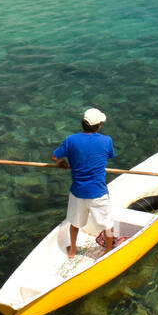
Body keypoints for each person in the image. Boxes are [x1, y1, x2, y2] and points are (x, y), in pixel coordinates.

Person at [53, 108, 117, 258]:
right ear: (99, 125)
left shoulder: (71, 140)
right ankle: (108, 252)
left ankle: (73, 250)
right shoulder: (106, 141)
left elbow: (54, 156)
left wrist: (62, 162)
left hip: (78, 192)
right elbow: (110, 155)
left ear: (83, 123)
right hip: (98, 193)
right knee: (108, 225)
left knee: (75, 224)